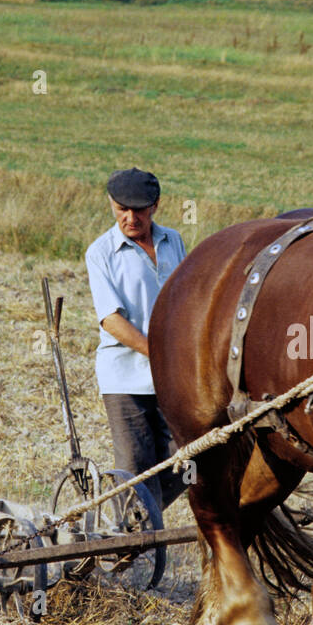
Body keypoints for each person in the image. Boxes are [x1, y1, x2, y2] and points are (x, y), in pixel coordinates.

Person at [84, 168, 186, 515]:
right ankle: (131, 543)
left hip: (172, 375)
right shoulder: (100, 253)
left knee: (187, 458)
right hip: (125, 377)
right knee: (134, 468)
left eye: (139, 210)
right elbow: (111, 319)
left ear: (155, 205)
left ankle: (144, 521)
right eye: (121, 209)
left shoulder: (174, 242)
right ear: (111, 204)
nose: (130, 218)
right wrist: (158, 354)